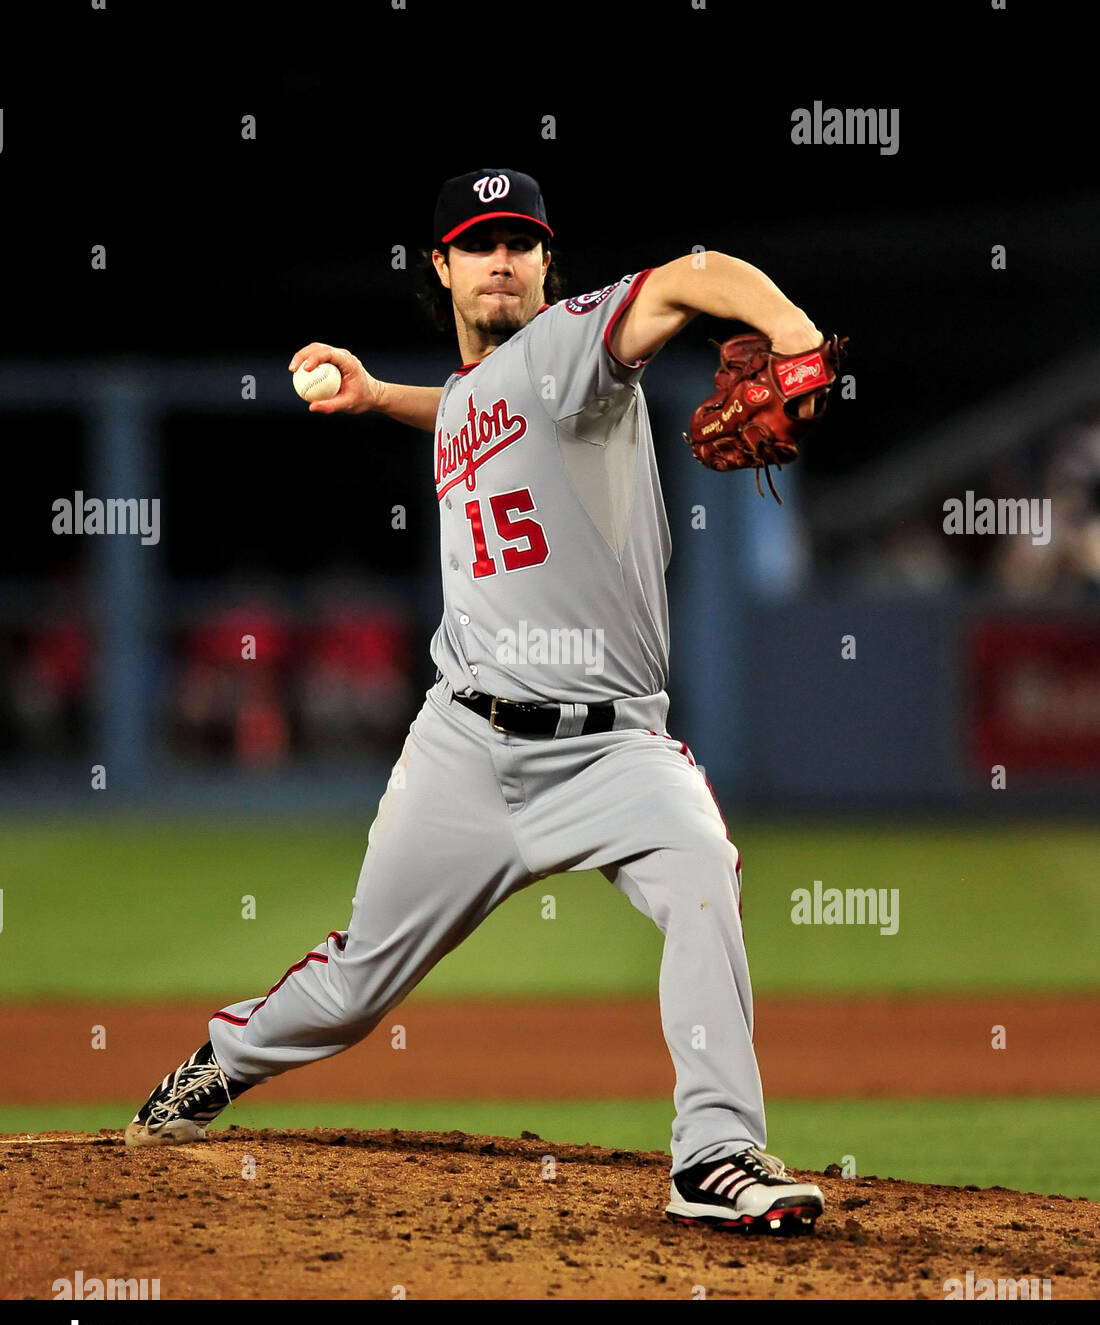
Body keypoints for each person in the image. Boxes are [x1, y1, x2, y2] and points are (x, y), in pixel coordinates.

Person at [125, 167, 828, 1233]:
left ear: (550, 264)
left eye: (521, 241)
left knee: (699, 877)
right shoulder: (470, 397)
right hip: (461, 746)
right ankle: (216, 1064)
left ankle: (714, 1152)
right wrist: (373, 397)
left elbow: (696, 277)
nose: (502, 258)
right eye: (478, 241)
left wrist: (791, 334)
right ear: (441, 266)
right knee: (359, 982)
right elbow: (465, 409)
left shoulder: (575, 347)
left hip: (612, 752)